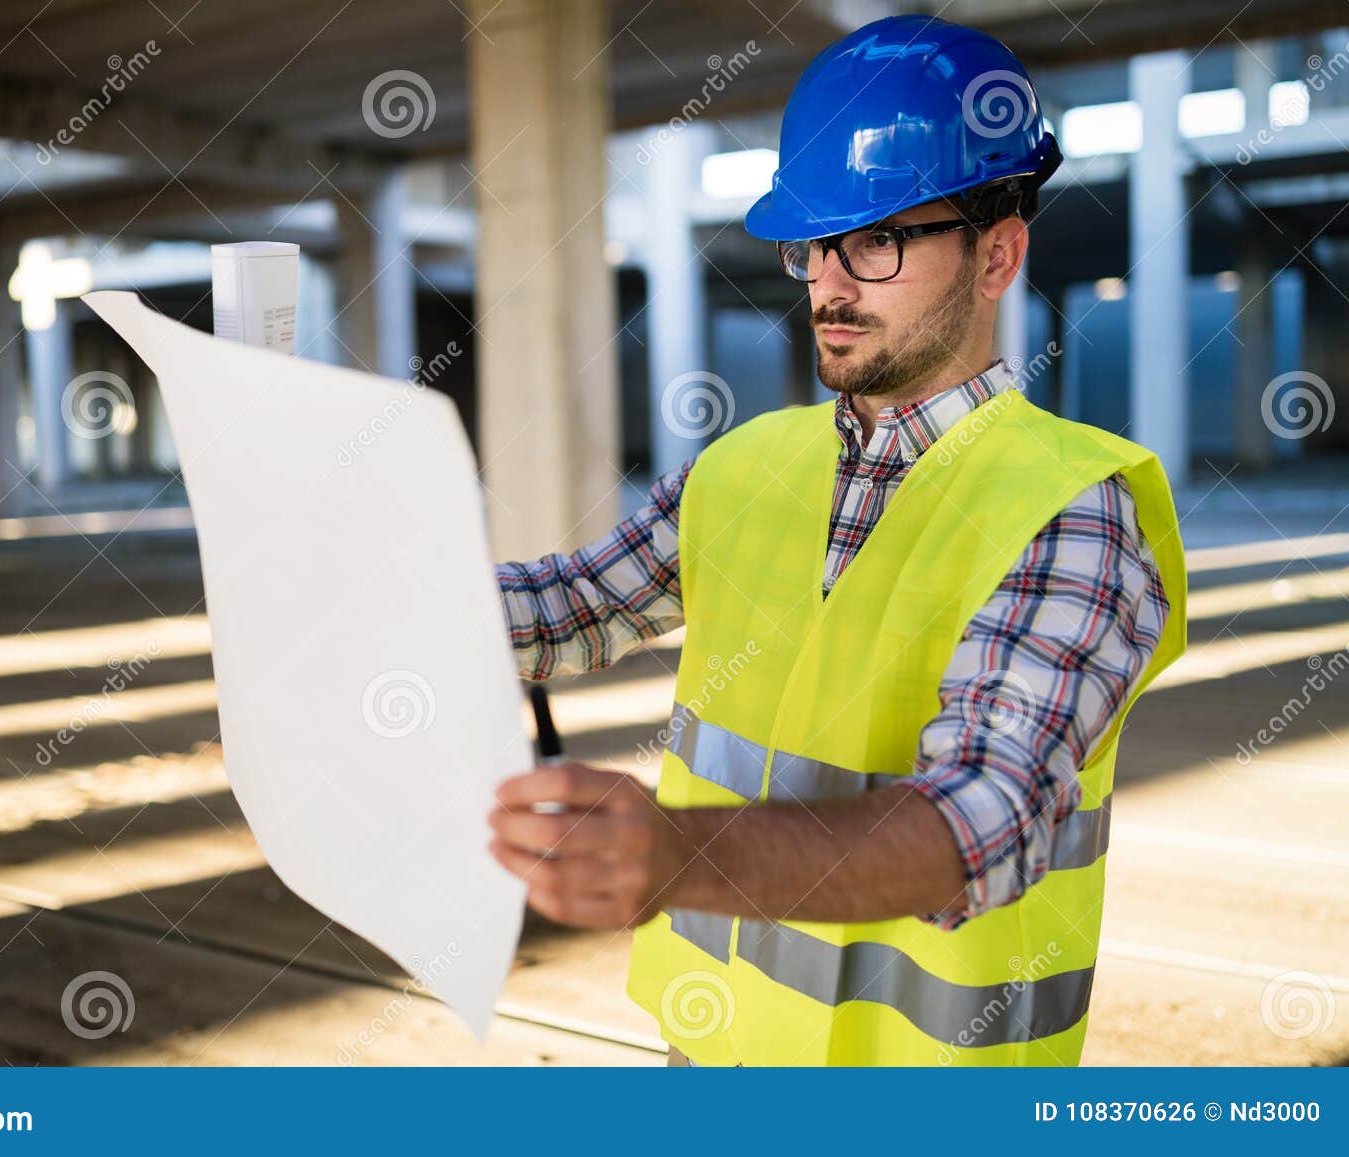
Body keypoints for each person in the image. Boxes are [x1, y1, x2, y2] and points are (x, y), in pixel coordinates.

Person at [488, 13, 1187, 1066]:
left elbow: (982, 818)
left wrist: (676, 856)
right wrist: (347, 581)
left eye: (877, 239)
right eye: (815, 242)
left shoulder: (1072, 509)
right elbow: (568, 607)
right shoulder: (744, 467)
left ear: (997, 254)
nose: (830, 282)